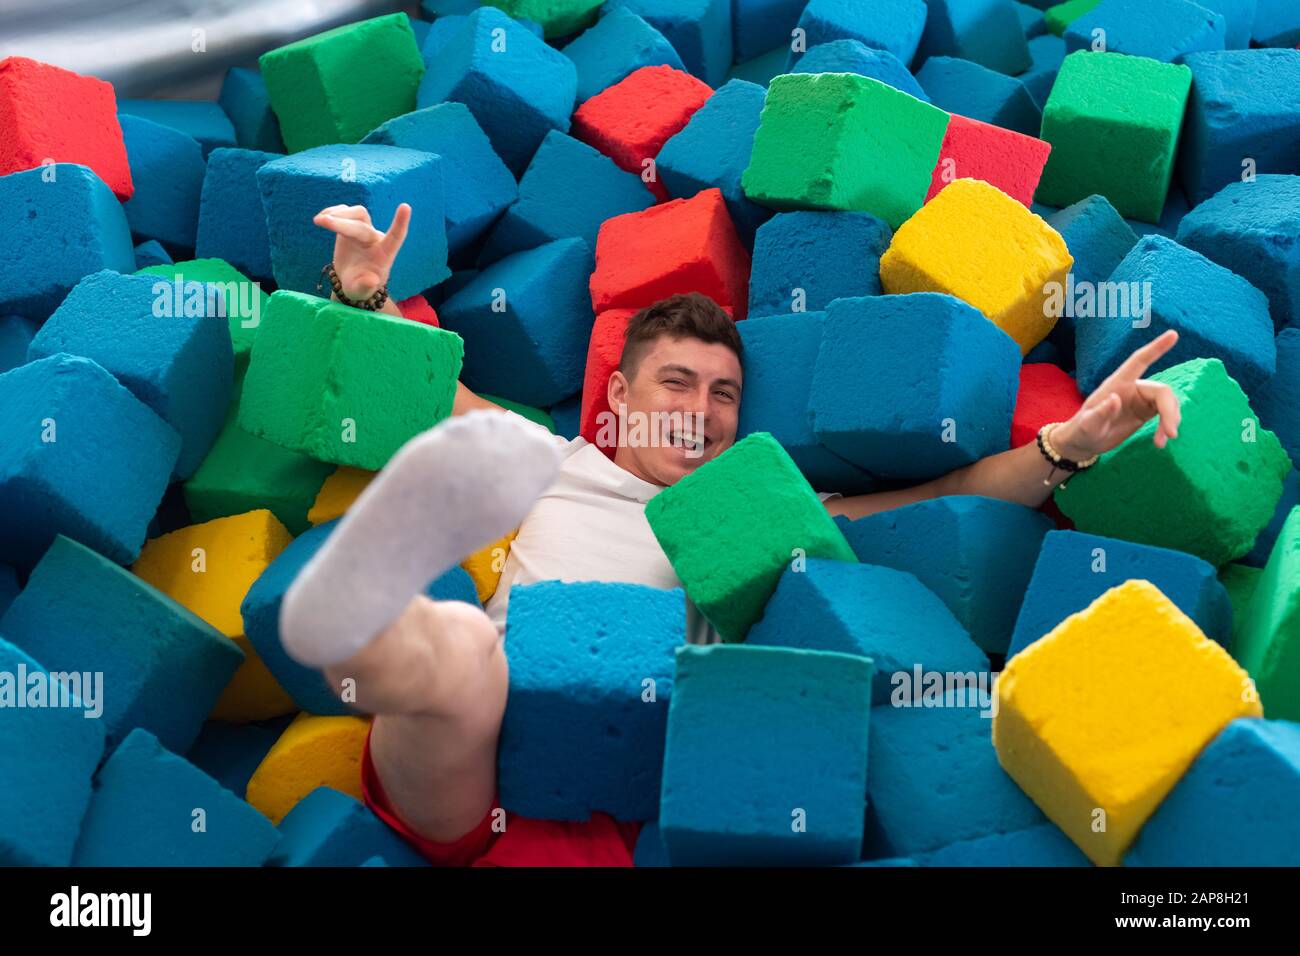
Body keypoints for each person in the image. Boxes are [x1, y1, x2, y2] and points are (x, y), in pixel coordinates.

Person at [280, 203, 1183, 866]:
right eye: (675, 383)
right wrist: (363, 290)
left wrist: (1068, 445)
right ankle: (362, 625)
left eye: (723, 396)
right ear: (619, 397)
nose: (700, 410)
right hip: (477, 776)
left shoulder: (771, 513)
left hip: (642, 803)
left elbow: (949, 493)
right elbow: (428, 386)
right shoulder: (551, 461)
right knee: (464, 652)